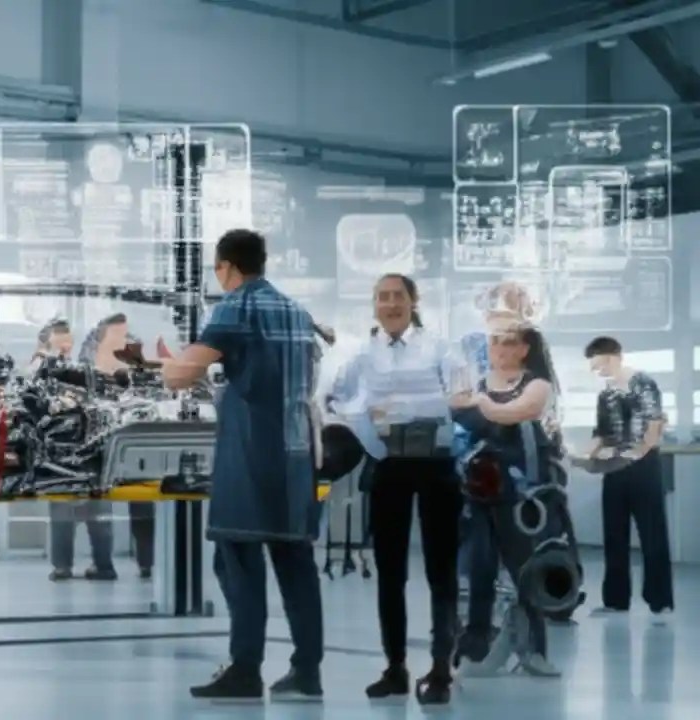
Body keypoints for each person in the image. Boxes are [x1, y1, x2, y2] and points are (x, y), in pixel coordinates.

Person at [168, 229, 324, 702]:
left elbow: (180, 374)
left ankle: (245, 669)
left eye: (218, 269)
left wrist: (161, 364)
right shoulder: (298, 312)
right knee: (296, 562)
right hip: (296, 455)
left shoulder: (236, 306)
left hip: (251, 455)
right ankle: (306, 671)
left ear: (228, 268)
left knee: (238, 560)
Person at [325, 273, 466, 706]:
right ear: (374, 305)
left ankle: (442, 669)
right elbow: (334, 398)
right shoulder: (362, 354)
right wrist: (363, 413)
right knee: (390, 572)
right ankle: (395, 666)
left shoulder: (441, 347)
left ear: (413, 301)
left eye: (397, 296)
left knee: (441, 572)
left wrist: (402, 407)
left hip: (437, 465)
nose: (390, 304)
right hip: (388, 466)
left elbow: (462, 397)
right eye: (382, 297)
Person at [452, 322, 564, 677]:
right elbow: (452, 409)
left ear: (524, 348)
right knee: (479, 567)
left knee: (525, 571)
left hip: (524, 497)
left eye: (508, 343)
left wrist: (480, 404)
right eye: (495, 342)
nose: (500, 349)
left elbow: (518, 412)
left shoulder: (537, 385)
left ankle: (535, 649)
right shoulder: (478, 383)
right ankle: (476, 642)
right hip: (479, 491)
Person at [584, 335, 674, 618]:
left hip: (643, 467)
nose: (598, 372)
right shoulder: (606, 394)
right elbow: (601, 432)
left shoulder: (643, 383)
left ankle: (658, 599)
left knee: (652, 534)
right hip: (614, 469)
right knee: (614, 533)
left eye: (599, 366)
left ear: (613, 357)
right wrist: (587, 455)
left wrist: (634, 455)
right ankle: (616, 599)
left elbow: (654, 425)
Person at [44, 316, 117, 581]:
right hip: (89, 447)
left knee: (67, 513)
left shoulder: (54, 367)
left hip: (67, 448)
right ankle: (103, 565)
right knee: (97, 514)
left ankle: (65, 566)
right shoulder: (90, 366)